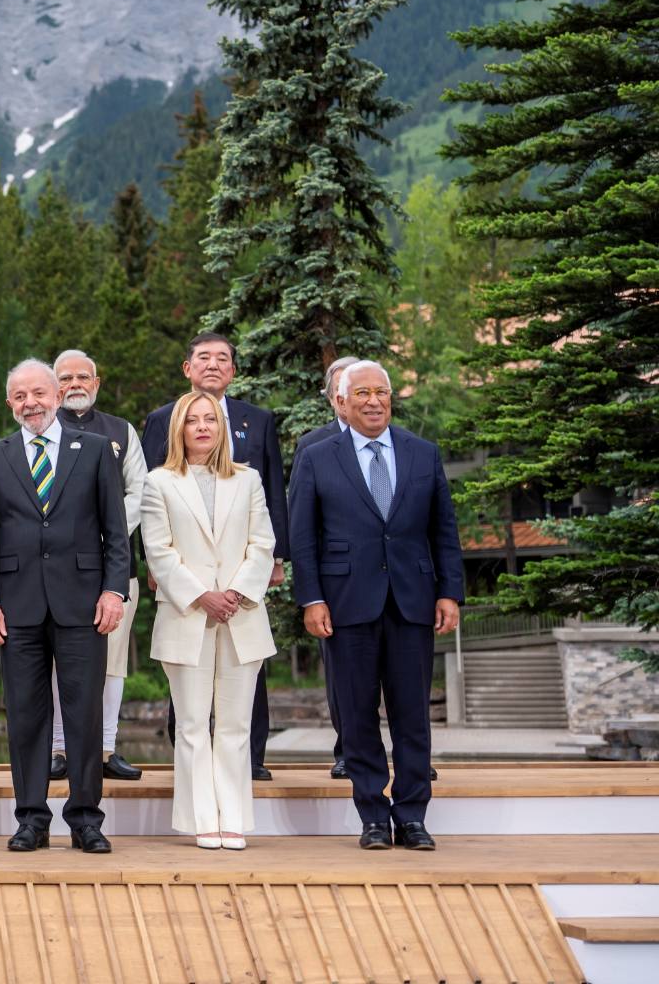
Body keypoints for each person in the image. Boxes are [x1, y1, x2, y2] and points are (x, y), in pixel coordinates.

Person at [289, 360, 463, 851]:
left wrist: (450, 591)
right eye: (361, 392)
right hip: (345, 605)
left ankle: (411, 815)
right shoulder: (318, 457)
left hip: (413, 602)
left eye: (381, 392)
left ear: (391, 398)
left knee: (413, 714)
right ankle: (372, 815)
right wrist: (312, 598)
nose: (373, 401)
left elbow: (444, 530)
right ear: (341, 402)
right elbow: (303, 537)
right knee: (358, 713)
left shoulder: (422, 453)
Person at [0, 360, 129, 854]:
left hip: (83, 604)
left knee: (83, 715)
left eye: (38, 393)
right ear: (10, 404)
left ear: (57, 395)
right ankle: (31, 819)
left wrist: (114, 590)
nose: (30, 403)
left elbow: (116, 533)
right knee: (25, 717)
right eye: (19, 396)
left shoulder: (98, 451)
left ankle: (85, 818)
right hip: (16, 610)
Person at [142, 332, 288, 779]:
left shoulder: (257, 420)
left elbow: (273, 494)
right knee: (188, 670)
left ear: (233, 370)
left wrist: (275, 560)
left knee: (245, 668)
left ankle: (252, 759)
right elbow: (151, 493)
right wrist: (156, 568)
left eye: (222, 358)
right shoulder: (163, 419)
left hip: (243, 578)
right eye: (203, 357)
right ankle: (188, 760)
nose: (212, 364)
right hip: (185, 579)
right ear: (187, 368)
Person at [142, 391, 277, 850]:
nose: (203, 427)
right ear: (178, 429)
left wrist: (234, 593)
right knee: (194, 725)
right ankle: (203, 819)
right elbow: (159, 552)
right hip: (187, 616)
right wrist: (203, 596)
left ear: (221, 430)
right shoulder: (159, 483)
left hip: (242, 615)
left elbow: (262, 544)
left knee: (237, 725)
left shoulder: (248, 479)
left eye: (210, 421)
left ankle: (234, 817)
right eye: (192, 420)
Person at [50, 350, 148, 782]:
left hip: (113, 564)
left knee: (111, 661)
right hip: (55, 568)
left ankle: (106, 749)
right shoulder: (41, 429)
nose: (75, 383)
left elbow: (139, 492)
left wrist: (100, 533)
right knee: (56, 661)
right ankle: (58, 749)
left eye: (83, 376)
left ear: (97, 381)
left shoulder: (121, 432)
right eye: (66, 377)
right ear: (54, 386)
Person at [296, 355, 358, 780]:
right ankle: (348, 749)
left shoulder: (402, 442)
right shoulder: (312, 445)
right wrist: (313, 590)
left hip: (391, 579)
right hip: (337, 581)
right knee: (342, 675)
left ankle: (410, 756)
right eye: (340, 388)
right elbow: (304, 522)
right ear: (332, 397)